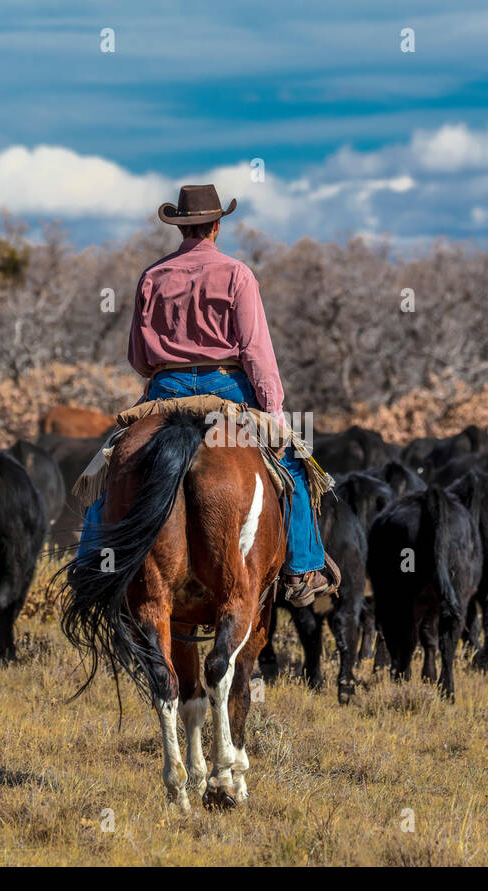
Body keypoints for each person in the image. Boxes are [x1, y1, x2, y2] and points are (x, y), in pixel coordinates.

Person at [80, 184, 335, 607]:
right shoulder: (237, 275)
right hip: (226, 387)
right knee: (292, 465)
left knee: (110, 465)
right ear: (216, 226)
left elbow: (139, 358)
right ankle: (302, 570)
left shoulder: (152, 276)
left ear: (180, 228)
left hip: (166, 390)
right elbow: (256, 352)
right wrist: (273, 410)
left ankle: (92, 562)